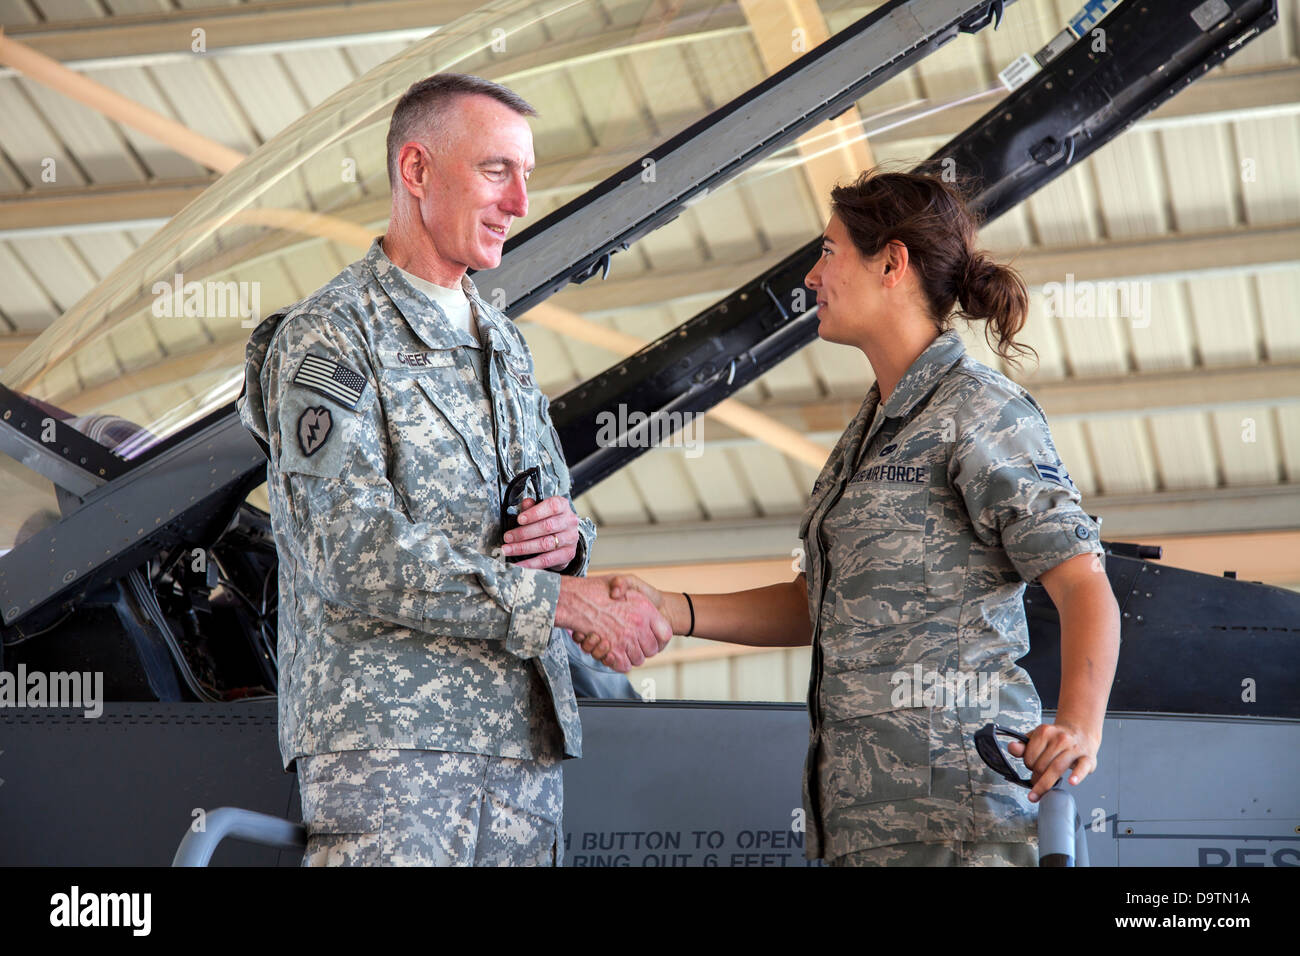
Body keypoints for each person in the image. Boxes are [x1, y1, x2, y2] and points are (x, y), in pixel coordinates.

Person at [580, 168, 1121, 866]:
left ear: (892, 262)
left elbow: (1083, 583)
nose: (811, 275)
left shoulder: (979, 411)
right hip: (857, 829)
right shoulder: (865, 436)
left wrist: (1078, 728)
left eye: (830, 251)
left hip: (956, 824)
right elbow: (826, 605)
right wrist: (672, 609)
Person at [237, 73, 670, 866]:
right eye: (496, 171)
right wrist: (561, 600)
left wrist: (568, 537)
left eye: (526, 176)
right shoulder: (328, 339)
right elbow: (351, 550)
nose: (519, 202)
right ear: (416, 170)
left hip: (521, 750)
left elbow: (542, 511)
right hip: (396, 753)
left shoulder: (502, 344)